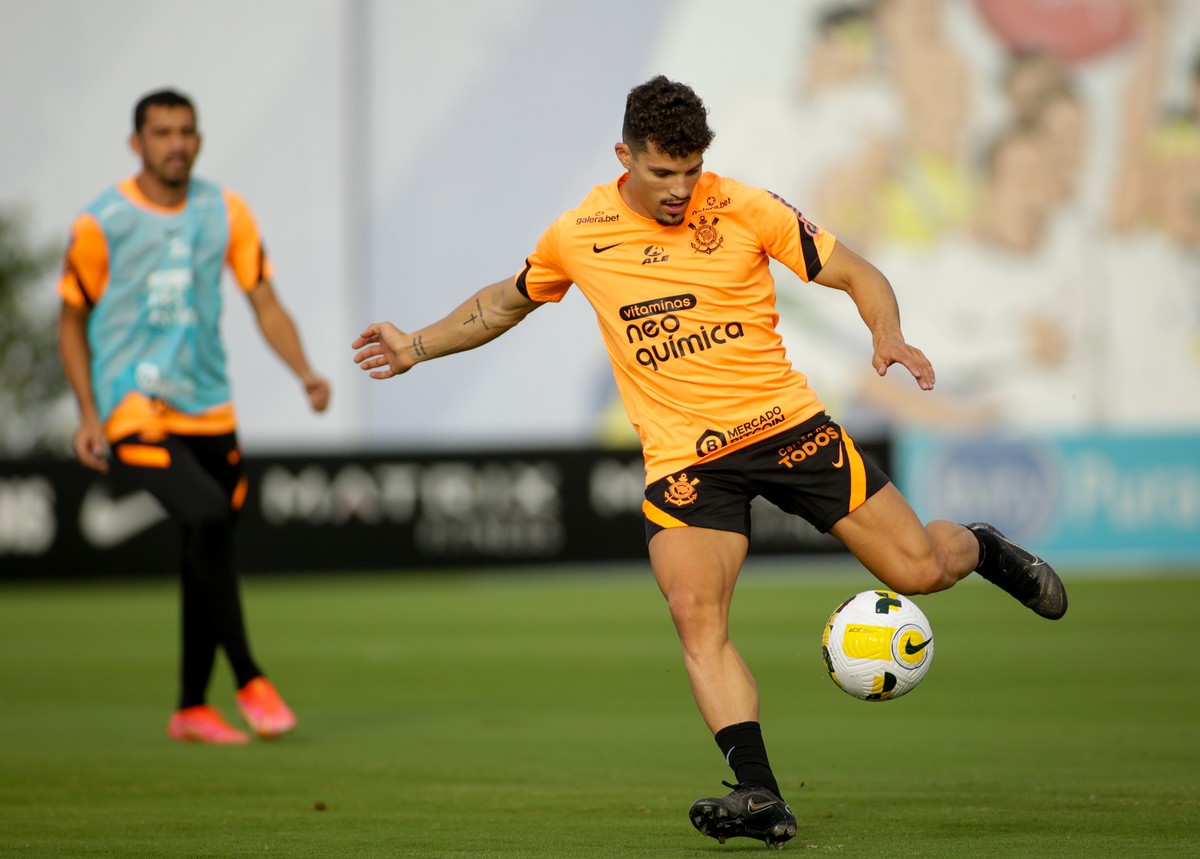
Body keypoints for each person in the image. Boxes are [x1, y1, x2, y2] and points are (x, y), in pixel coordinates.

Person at [352, 76, 1066, 848]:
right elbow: (504, 301)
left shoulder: (744, 207)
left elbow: (859, 273)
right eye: (663, 171)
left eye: (691, 170)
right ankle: (760, 793)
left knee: (920, 569)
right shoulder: (579, 233)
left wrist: (886, 332)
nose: (680, 189)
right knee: (694, 611)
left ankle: (981, 544)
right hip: (686, 462)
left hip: (788, 428)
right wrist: (415, 345)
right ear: (624, 156)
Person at [57, 89, 331, 745]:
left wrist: (304, 371)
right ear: (137, 143)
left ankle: (190, 708)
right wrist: (88, 412)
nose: (175, 144)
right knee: (207, 516)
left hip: (209, 407)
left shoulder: (225, 210)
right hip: (133, 407)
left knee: (207, 546)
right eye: (161, 133)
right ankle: (249, 677)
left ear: (199, 141)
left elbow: (264, 300)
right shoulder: (102, 222)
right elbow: (70, 321)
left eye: (185, 132)